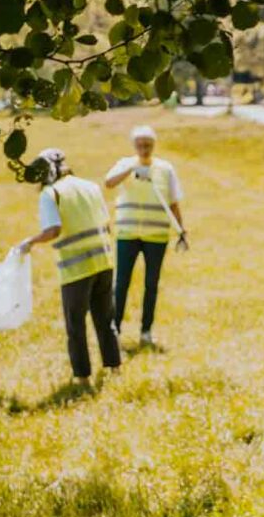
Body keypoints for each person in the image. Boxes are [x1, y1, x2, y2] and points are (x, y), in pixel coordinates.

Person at [17, 148, 121, 383]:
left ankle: (82, 377)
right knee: (105, 319)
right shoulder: (90, 186)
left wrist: (30, 242)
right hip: (104, 260)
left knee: (76, 325)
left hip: (76, 269)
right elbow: (106, 223)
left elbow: (53, 230)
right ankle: (114, 367)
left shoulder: (50, 193)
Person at [104, 124, 187, 349]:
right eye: (140, 145)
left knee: (152, 284)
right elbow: (109, 183)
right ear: (134, 145)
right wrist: (130, 169)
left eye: (148, 145)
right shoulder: (125, 164)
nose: (144, 149)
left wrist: (181, 230)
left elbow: (173, 202)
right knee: (121, 283)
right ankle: (115, 329)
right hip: (127, 234)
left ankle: (146, 331)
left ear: (154, 145)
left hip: (156, 236)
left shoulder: (165, 169)